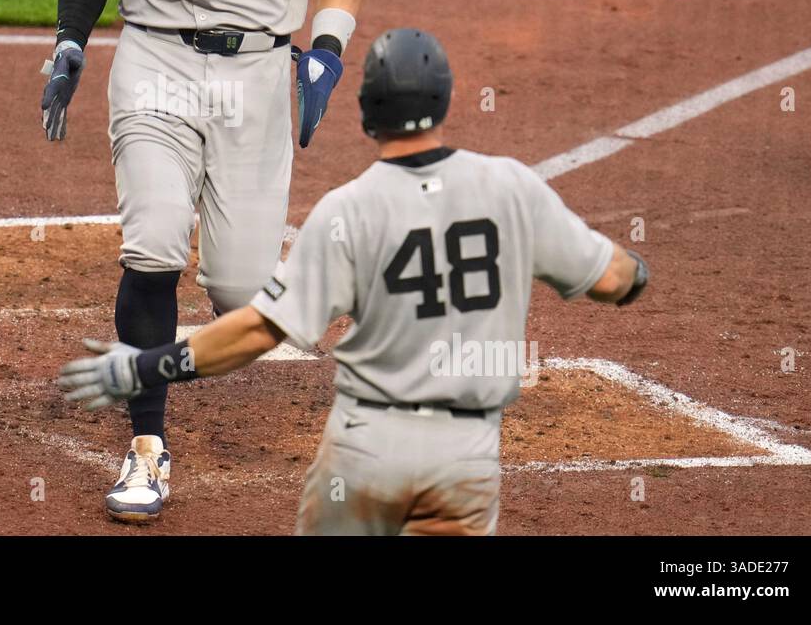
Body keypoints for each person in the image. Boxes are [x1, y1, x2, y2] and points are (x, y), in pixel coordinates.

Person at [58, 28, 650, 535]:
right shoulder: (513, 188)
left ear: (367, 112)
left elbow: (258, 332)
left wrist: (143, 366)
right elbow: (616, 279)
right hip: (465, 462)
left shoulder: (348, 210)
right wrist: (632, 274)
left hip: (364, 455)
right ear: (445, 101)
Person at [39, 0, 366, 523]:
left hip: (257, 73)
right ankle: (146, 446)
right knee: (150, 242)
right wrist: (72, 38)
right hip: (151, 60)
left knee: (240, 296)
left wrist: (326, 50)